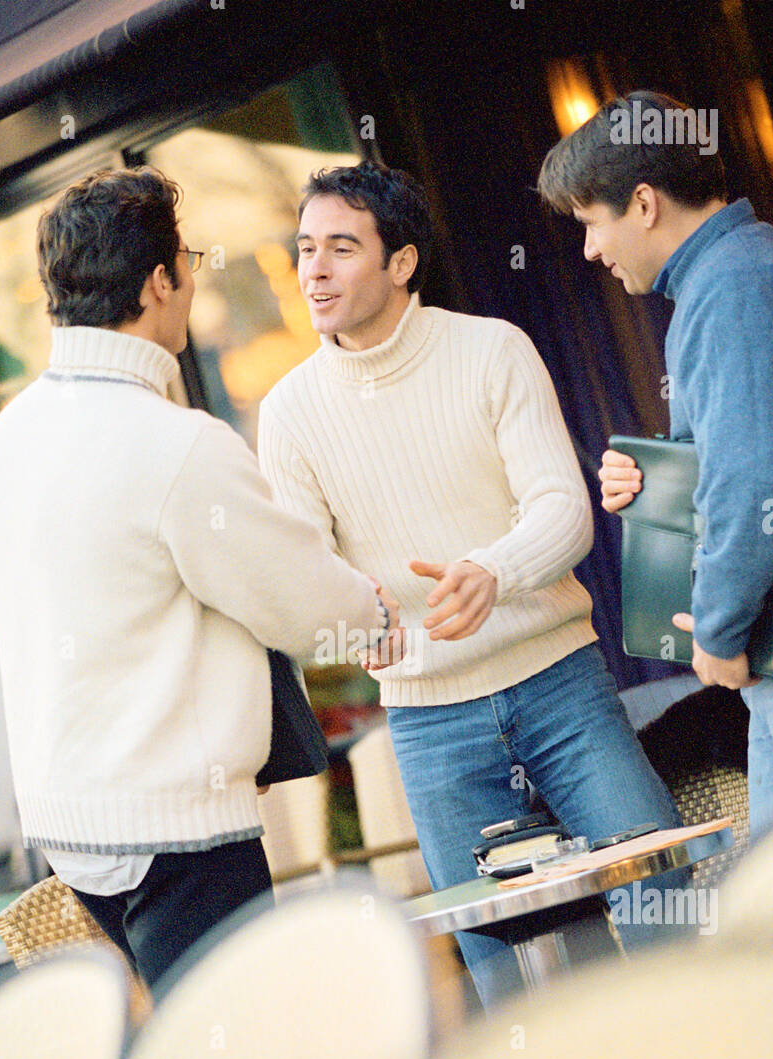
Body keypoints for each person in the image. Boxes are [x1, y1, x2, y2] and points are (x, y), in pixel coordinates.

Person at [257, 159, 687, 1010]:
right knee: (508, 977)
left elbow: (564, 508)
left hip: (561, 686)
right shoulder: (288, 412)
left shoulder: (491, 350)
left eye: (342, 248)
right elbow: (310, 576)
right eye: (306, 249)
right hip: (427, 722)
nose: (314, 270)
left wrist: (494, 571)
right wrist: (351, 622)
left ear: (401, 262)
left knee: (661, 907)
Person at [0, 167, 398, 988]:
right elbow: (302, 603)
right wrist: (373, 614)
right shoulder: (175, 443)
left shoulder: (8, 438)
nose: (194, 279)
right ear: (158, 281)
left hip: (72, 827)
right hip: (178, 830)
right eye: (188, 260)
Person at [538, 90, 773, 842]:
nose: (589, 251)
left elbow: (758, 485)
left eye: (588, 224)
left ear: (641, 204)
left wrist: (718, 631)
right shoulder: (741, 269)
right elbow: (747, 462)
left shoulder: (735, 283)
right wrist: (654, 484)